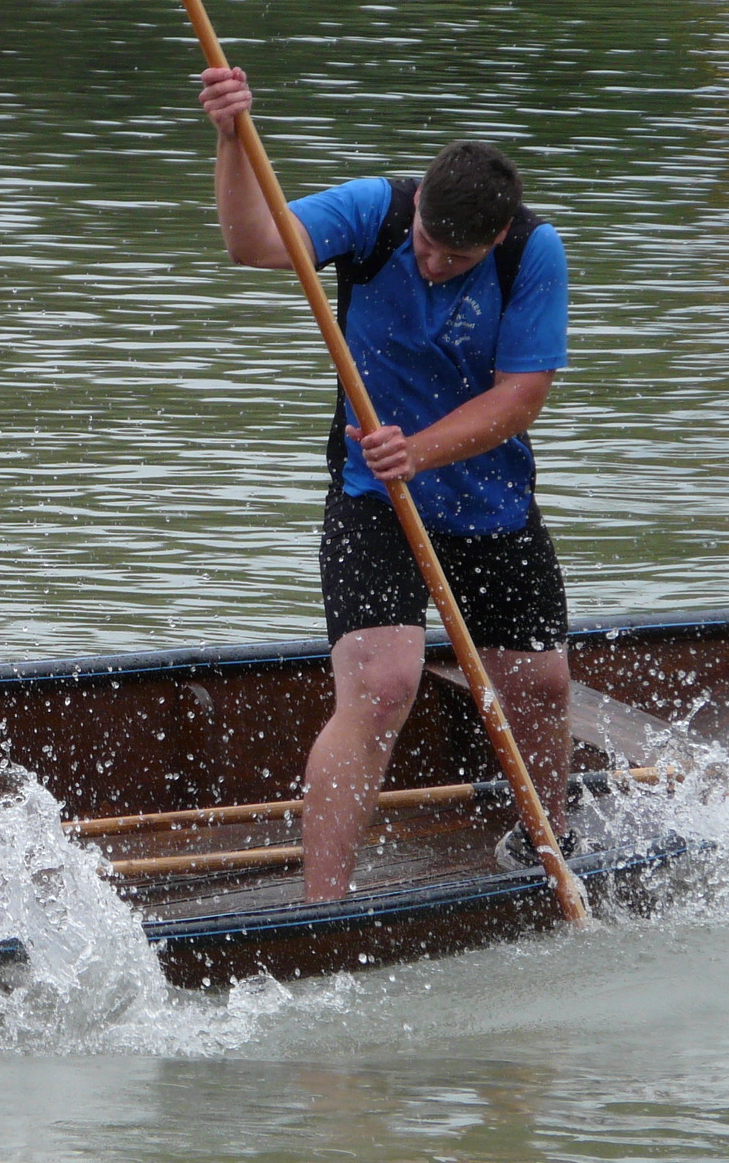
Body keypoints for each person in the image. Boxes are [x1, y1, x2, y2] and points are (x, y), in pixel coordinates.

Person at [198, 65, 573, 902]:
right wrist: (231, 139)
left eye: (456, 257)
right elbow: (254, 245)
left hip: (491, 503)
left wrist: (425, 450)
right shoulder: (376, 213)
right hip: (373, 501)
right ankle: (321, 903)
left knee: (541, 685)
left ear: (497, 234)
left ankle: (547, 846)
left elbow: (522, 397)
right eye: (427, 246)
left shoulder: (531, 253)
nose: (435, 264)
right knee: (382, 688)